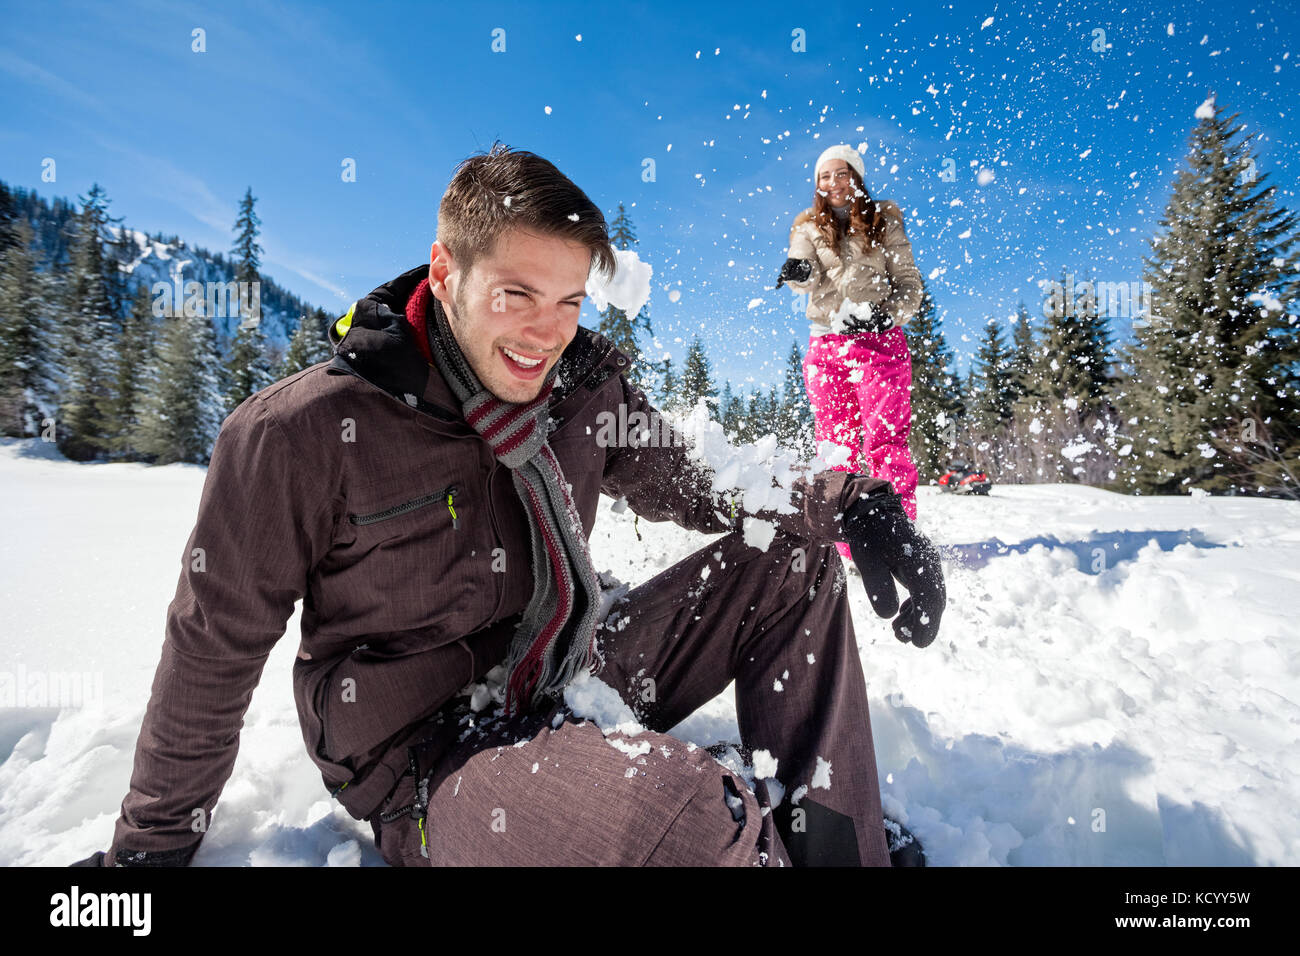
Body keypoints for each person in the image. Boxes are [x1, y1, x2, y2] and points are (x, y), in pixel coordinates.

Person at [72, 143, 945, 868]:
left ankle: (834, 842)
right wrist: (145, 857)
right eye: (517, 294)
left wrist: (848, 501)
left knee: (791, 560)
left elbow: (694, 475)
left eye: (568, 301)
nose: (545, 333)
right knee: (682, 818)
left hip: (564, 665)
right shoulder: (304, 432)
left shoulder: (576, 391)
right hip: (433, 754)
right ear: (446, 272)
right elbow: (212, 647)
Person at [776, 144, 926, 562]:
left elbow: (910, 284)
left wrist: (886, 316)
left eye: (841, 174)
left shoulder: (884, 220)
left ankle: (898, 539)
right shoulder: (806, 225)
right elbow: (801, 269)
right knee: (836, 448)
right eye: (824, 176)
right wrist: (798, 272)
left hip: (879, 343)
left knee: (884, 442)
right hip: (826, 346)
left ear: (856, 178)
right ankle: (849, 546)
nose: (832, 183)